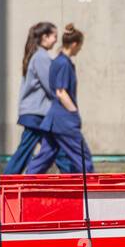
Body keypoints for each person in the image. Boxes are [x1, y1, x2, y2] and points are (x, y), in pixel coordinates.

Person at [6, 22, 76, 174]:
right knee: (29, 151)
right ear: (45, 37)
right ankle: (7, 180)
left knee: (54, 148)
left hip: (37, 113)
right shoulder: (41, 57)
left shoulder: (38, 56)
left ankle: (73, 178)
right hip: (37, 114)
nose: (56, 40)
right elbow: (51, 86)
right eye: (54, 36)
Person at [34, 24, 94, 174]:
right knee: (82, 157)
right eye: (80, 45)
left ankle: (26, 184)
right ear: (74, 44)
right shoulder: (64, 64)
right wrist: (74, 113)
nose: (80, 49)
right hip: (64, 119)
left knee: (45, 157)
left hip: (53, 120)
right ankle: (92, 191)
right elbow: (61, 92)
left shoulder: (58, 61)